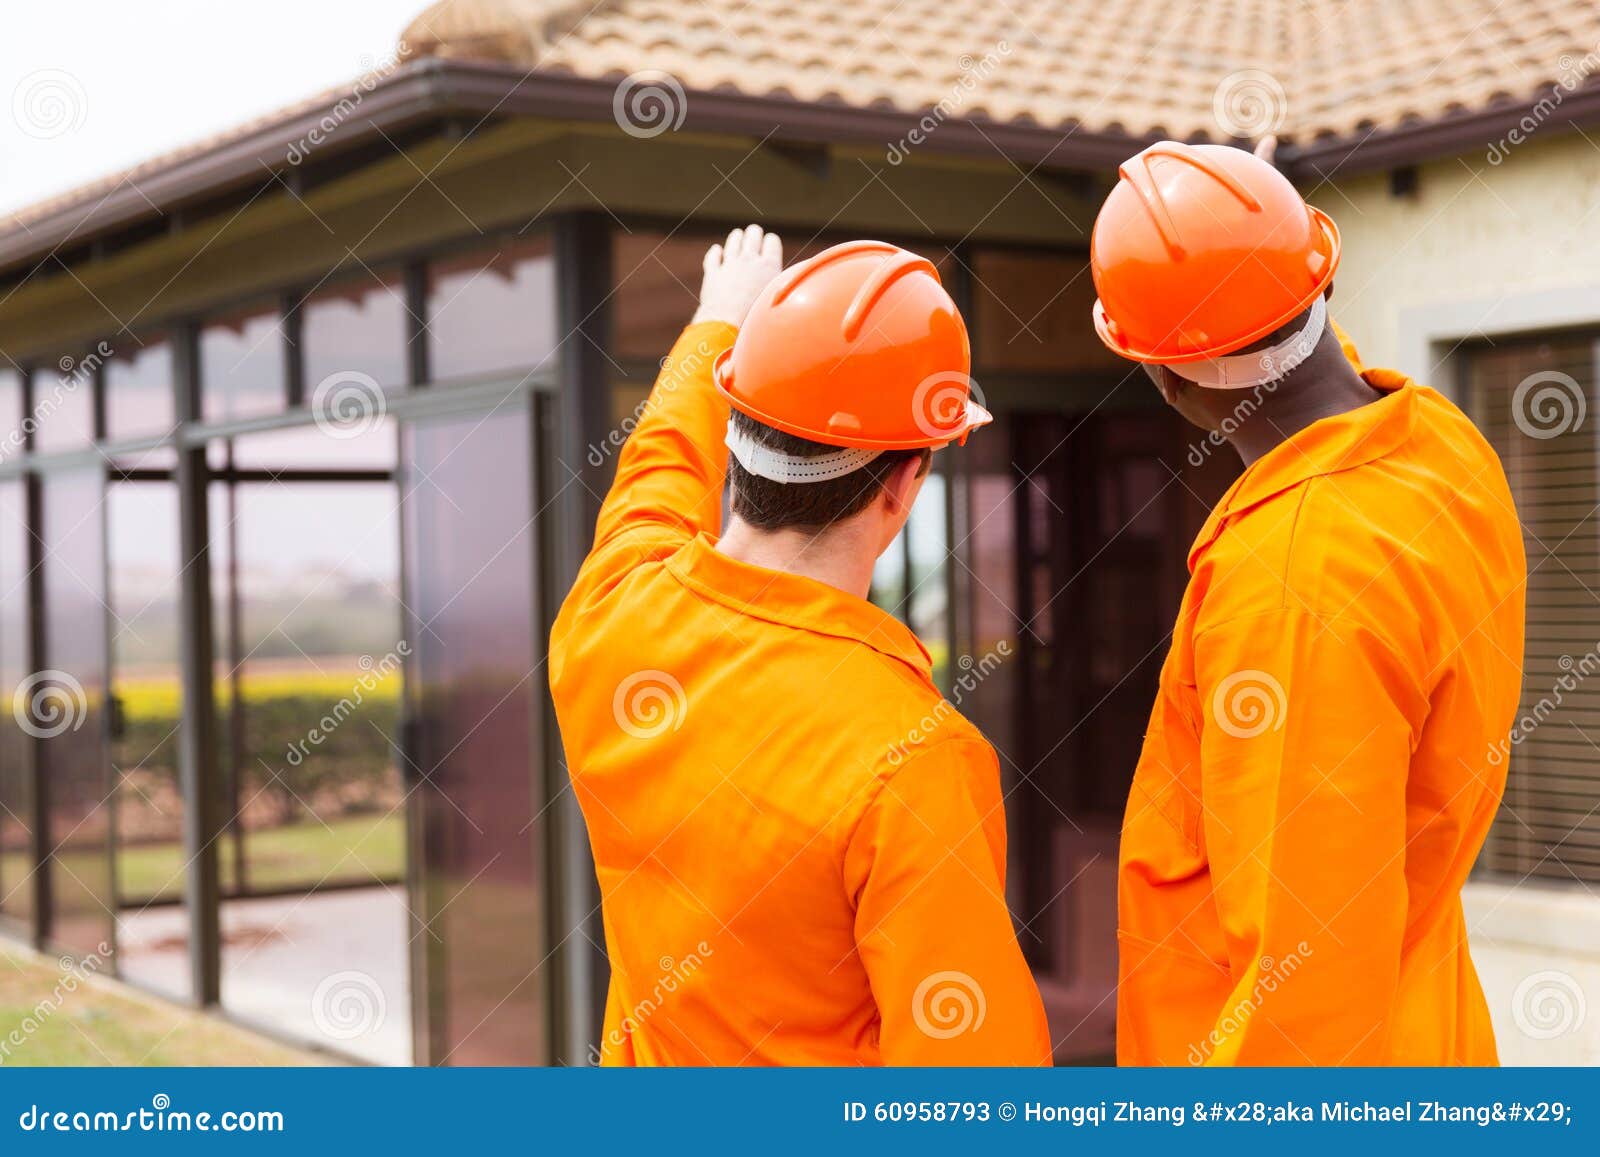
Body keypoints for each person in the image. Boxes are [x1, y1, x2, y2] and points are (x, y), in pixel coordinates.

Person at [550, 225, 1051, 1066]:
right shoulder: (911, 757)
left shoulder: (611, 607)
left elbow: (659, 463)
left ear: (738, 433)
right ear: (904, 484)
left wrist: (719, 320)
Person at [1091, 141, 1526, 1065]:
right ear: (1320, 297)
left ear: (1166, 379)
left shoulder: (1293, 583)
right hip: (1424, 1024)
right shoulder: (1434, 444)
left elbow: (1308, 985)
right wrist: (1243, 249)